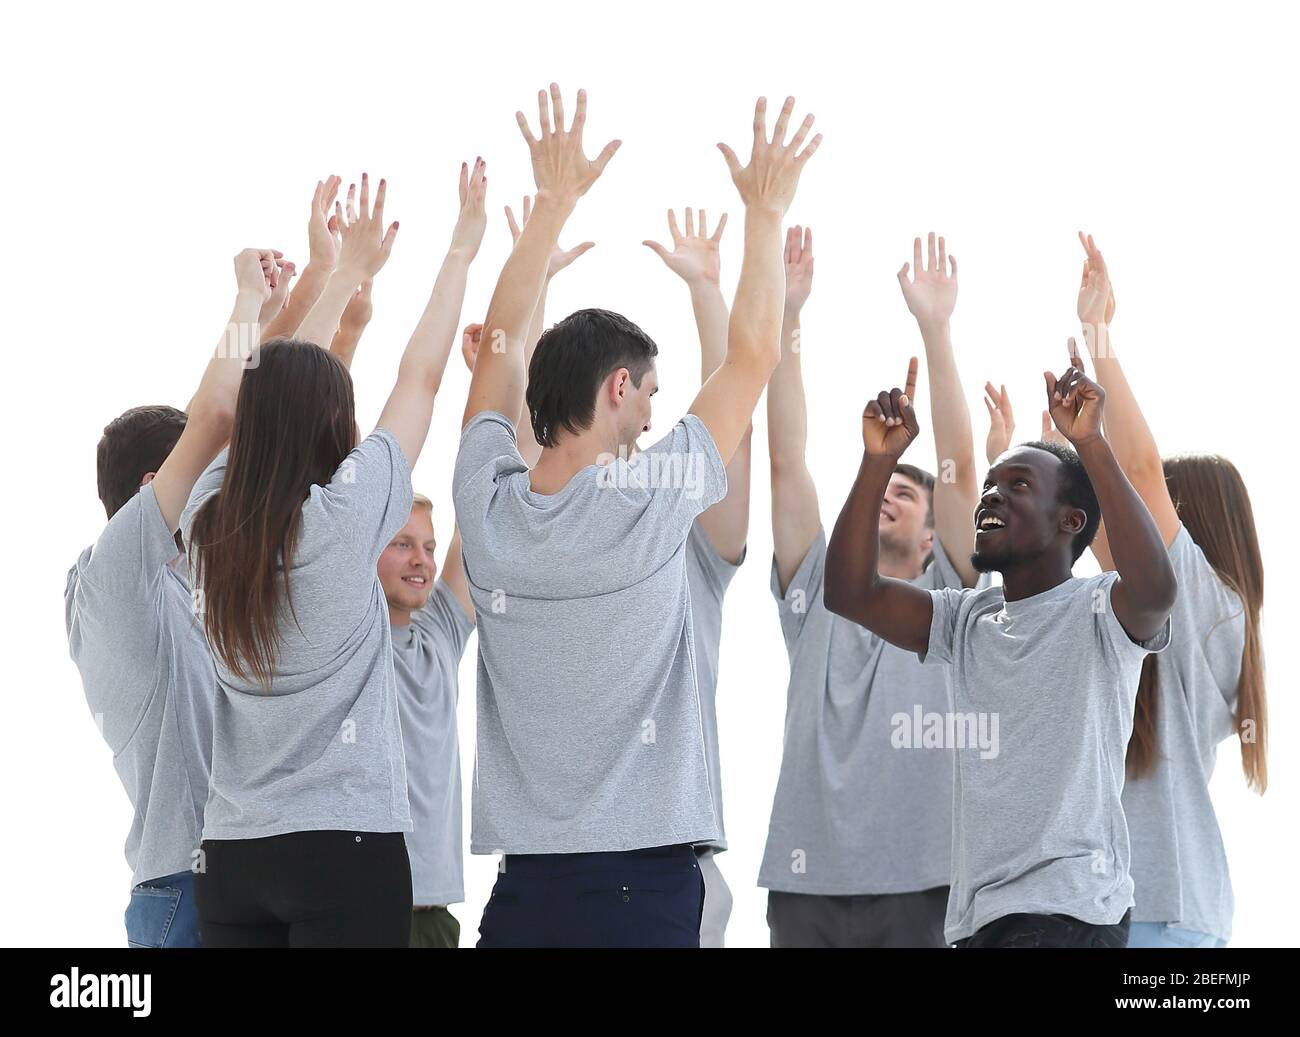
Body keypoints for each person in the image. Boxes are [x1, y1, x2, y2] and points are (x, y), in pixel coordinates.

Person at [453, 85, 819, 947]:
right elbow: (754, 355)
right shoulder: (649, 501)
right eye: (650, 392)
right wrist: (764, 212)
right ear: (618, 387)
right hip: (644, 889)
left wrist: (548, 206)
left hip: (524, 894)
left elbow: (502, 342)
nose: (656, 414)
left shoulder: (485, 501)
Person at [183, 161, 487, 947]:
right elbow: (421, 375)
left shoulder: (206, 521)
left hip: (232, 854)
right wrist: (460, 248)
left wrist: (335, 277)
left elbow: (241, 402)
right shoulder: (345, 519)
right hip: (343, 848)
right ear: (333, 426)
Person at [824, 337, 1178, 948]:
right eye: (991, 484)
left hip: (1069, 917)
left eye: (1018, 486)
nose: (992, 495)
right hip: (981, 925)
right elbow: (849, 592)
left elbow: (1156, 591)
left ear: (1070, 522)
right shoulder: (965, 621)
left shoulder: (1099, 609)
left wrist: (1090, 445)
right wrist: (877, 462)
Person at [760, 231, 981, 947]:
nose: (887, 491)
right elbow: (787, 460)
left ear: (932, 537)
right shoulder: (818, 592)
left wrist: (935, 330)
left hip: (924, 888)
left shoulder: (951, 602)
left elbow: (957, 466)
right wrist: (789, 316)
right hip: (807, 886)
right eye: (881, 482)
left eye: (904, 492)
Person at [65, 246, 283, 947]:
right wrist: (246, 299)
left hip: (224, 884)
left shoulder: (175, 580)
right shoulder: (115, 579)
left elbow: (244, 418)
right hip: (183, 897)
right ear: (149, 488)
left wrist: (288, 306)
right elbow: (214, 421)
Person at [1074, 235, 1267, 948]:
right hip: (1123, 911)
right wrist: (1056, 452)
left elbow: (1138, 469)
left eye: (1162, 510)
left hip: (1163, 913)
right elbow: (1102, 529)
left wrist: (1101, 336)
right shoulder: (1167, 610)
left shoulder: (1213, 607)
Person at [643, 207, 752, 947]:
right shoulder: (551, 534)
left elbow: (731, 436)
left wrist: (708, 294)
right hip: (563, 860)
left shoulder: (692, 550)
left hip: (677, 863)